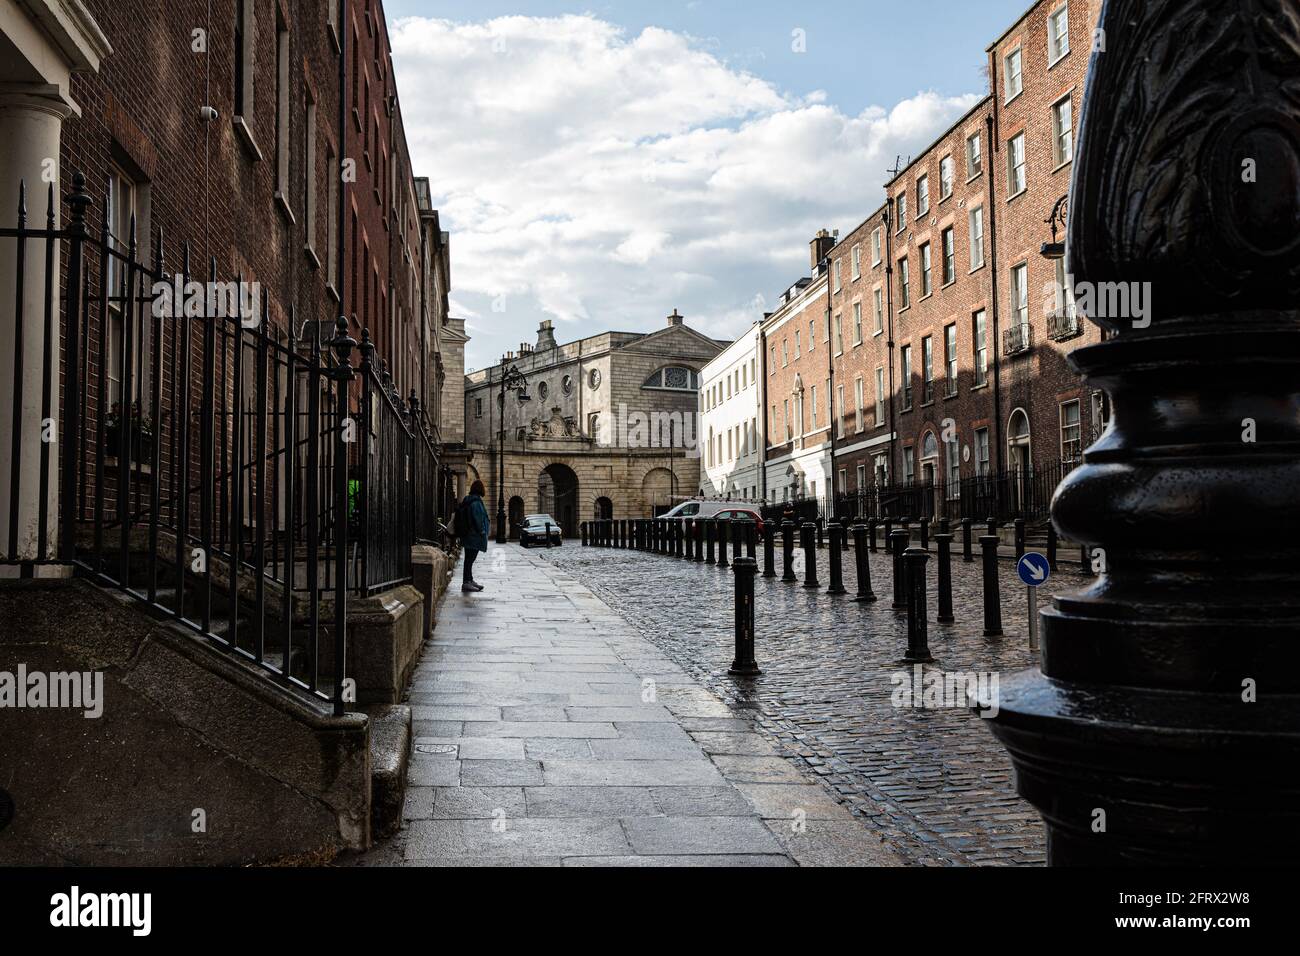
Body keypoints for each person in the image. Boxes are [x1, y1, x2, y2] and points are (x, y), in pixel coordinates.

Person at [458, 480, 490, 592]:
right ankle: (466, 582)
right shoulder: (476, 502)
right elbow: (478, 519)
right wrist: (482, 531)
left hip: (469, 535)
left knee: (469, 559)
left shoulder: (470, 500)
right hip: (474, 535)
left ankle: (469, 580)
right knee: (469, 560)